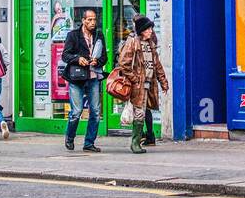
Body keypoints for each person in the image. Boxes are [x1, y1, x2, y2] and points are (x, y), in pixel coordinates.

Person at [115, 16, 168, 153]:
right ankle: (135, 143)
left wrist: (164, 83)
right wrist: (135, 79)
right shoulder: (133, 42)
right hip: (138, 86)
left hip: (149, 85)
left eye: (151, 28)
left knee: (142, 112)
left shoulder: (150, 44)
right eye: (148, 28)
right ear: (142, 30)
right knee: (139, 112)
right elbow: (123, 63)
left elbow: (157, 65)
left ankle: (138, 141)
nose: (151, 31)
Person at [61, 9, 106, 153]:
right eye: (90, 20)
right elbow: (65, 55)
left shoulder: (99, 35)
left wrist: (97, 61)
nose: (93, 22)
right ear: (84, 21)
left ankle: (89, 143)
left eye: (94, 20)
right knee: (77, 111)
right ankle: (70, 137)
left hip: (93, 77)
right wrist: (77, 59)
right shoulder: (73, 35)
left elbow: (104, 57)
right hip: (77, 78)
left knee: (95, 112)